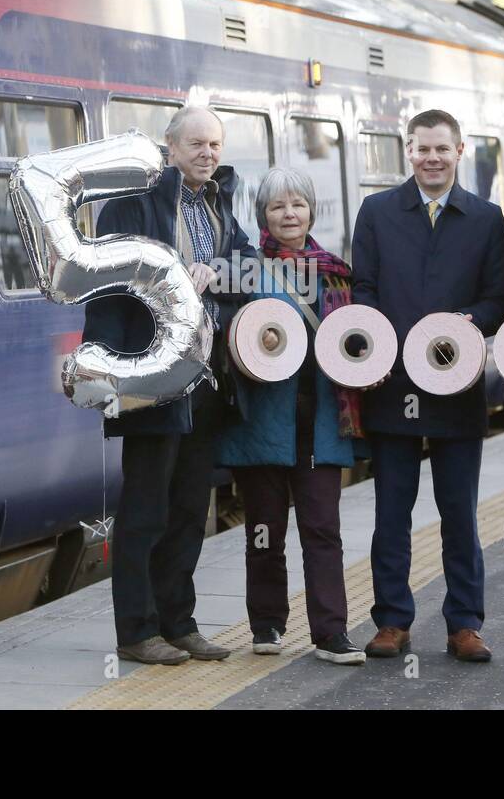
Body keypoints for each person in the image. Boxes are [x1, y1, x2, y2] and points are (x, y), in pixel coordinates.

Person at [82, 106, 256, 666]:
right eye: (197, 143)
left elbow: (249, 268)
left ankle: (179, 623)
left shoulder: (220, 203)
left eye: (215, 145)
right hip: (154, 374)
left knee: (187, 508)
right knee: (146, 507)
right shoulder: (131, 204)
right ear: (171, 146)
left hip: (208, 379)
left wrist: (219, 273)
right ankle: (137, 631)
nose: (208, 153)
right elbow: (104, 286)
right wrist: (108, 368)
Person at [352, 109, 504, 662]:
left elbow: (499, 298)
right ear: (408, 151)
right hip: (392, 384)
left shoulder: (487, 219)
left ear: (460, 151)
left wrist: (469, 320)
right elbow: (363, 292)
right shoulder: (376, 212)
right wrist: (384, 346)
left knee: (459, 513)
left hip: (457, 384)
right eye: (423, 149)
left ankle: (464, 624)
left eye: (443, 149)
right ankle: (391, 621)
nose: (432, 158)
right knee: (391, 513)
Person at [217, 168, 366, 666]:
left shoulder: (336, 272)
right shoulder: (245, 273)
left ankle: (331, 632)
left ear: (310, 212)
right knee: (264, 529)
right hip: (262, 420)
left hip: (322, 422)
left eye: (297, 204)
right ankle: (267, 625)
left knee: (323, 530)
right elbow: (226, 338)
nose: (288, 214)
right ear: (263, 215)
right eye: (278, 206)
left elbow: (355, 340)